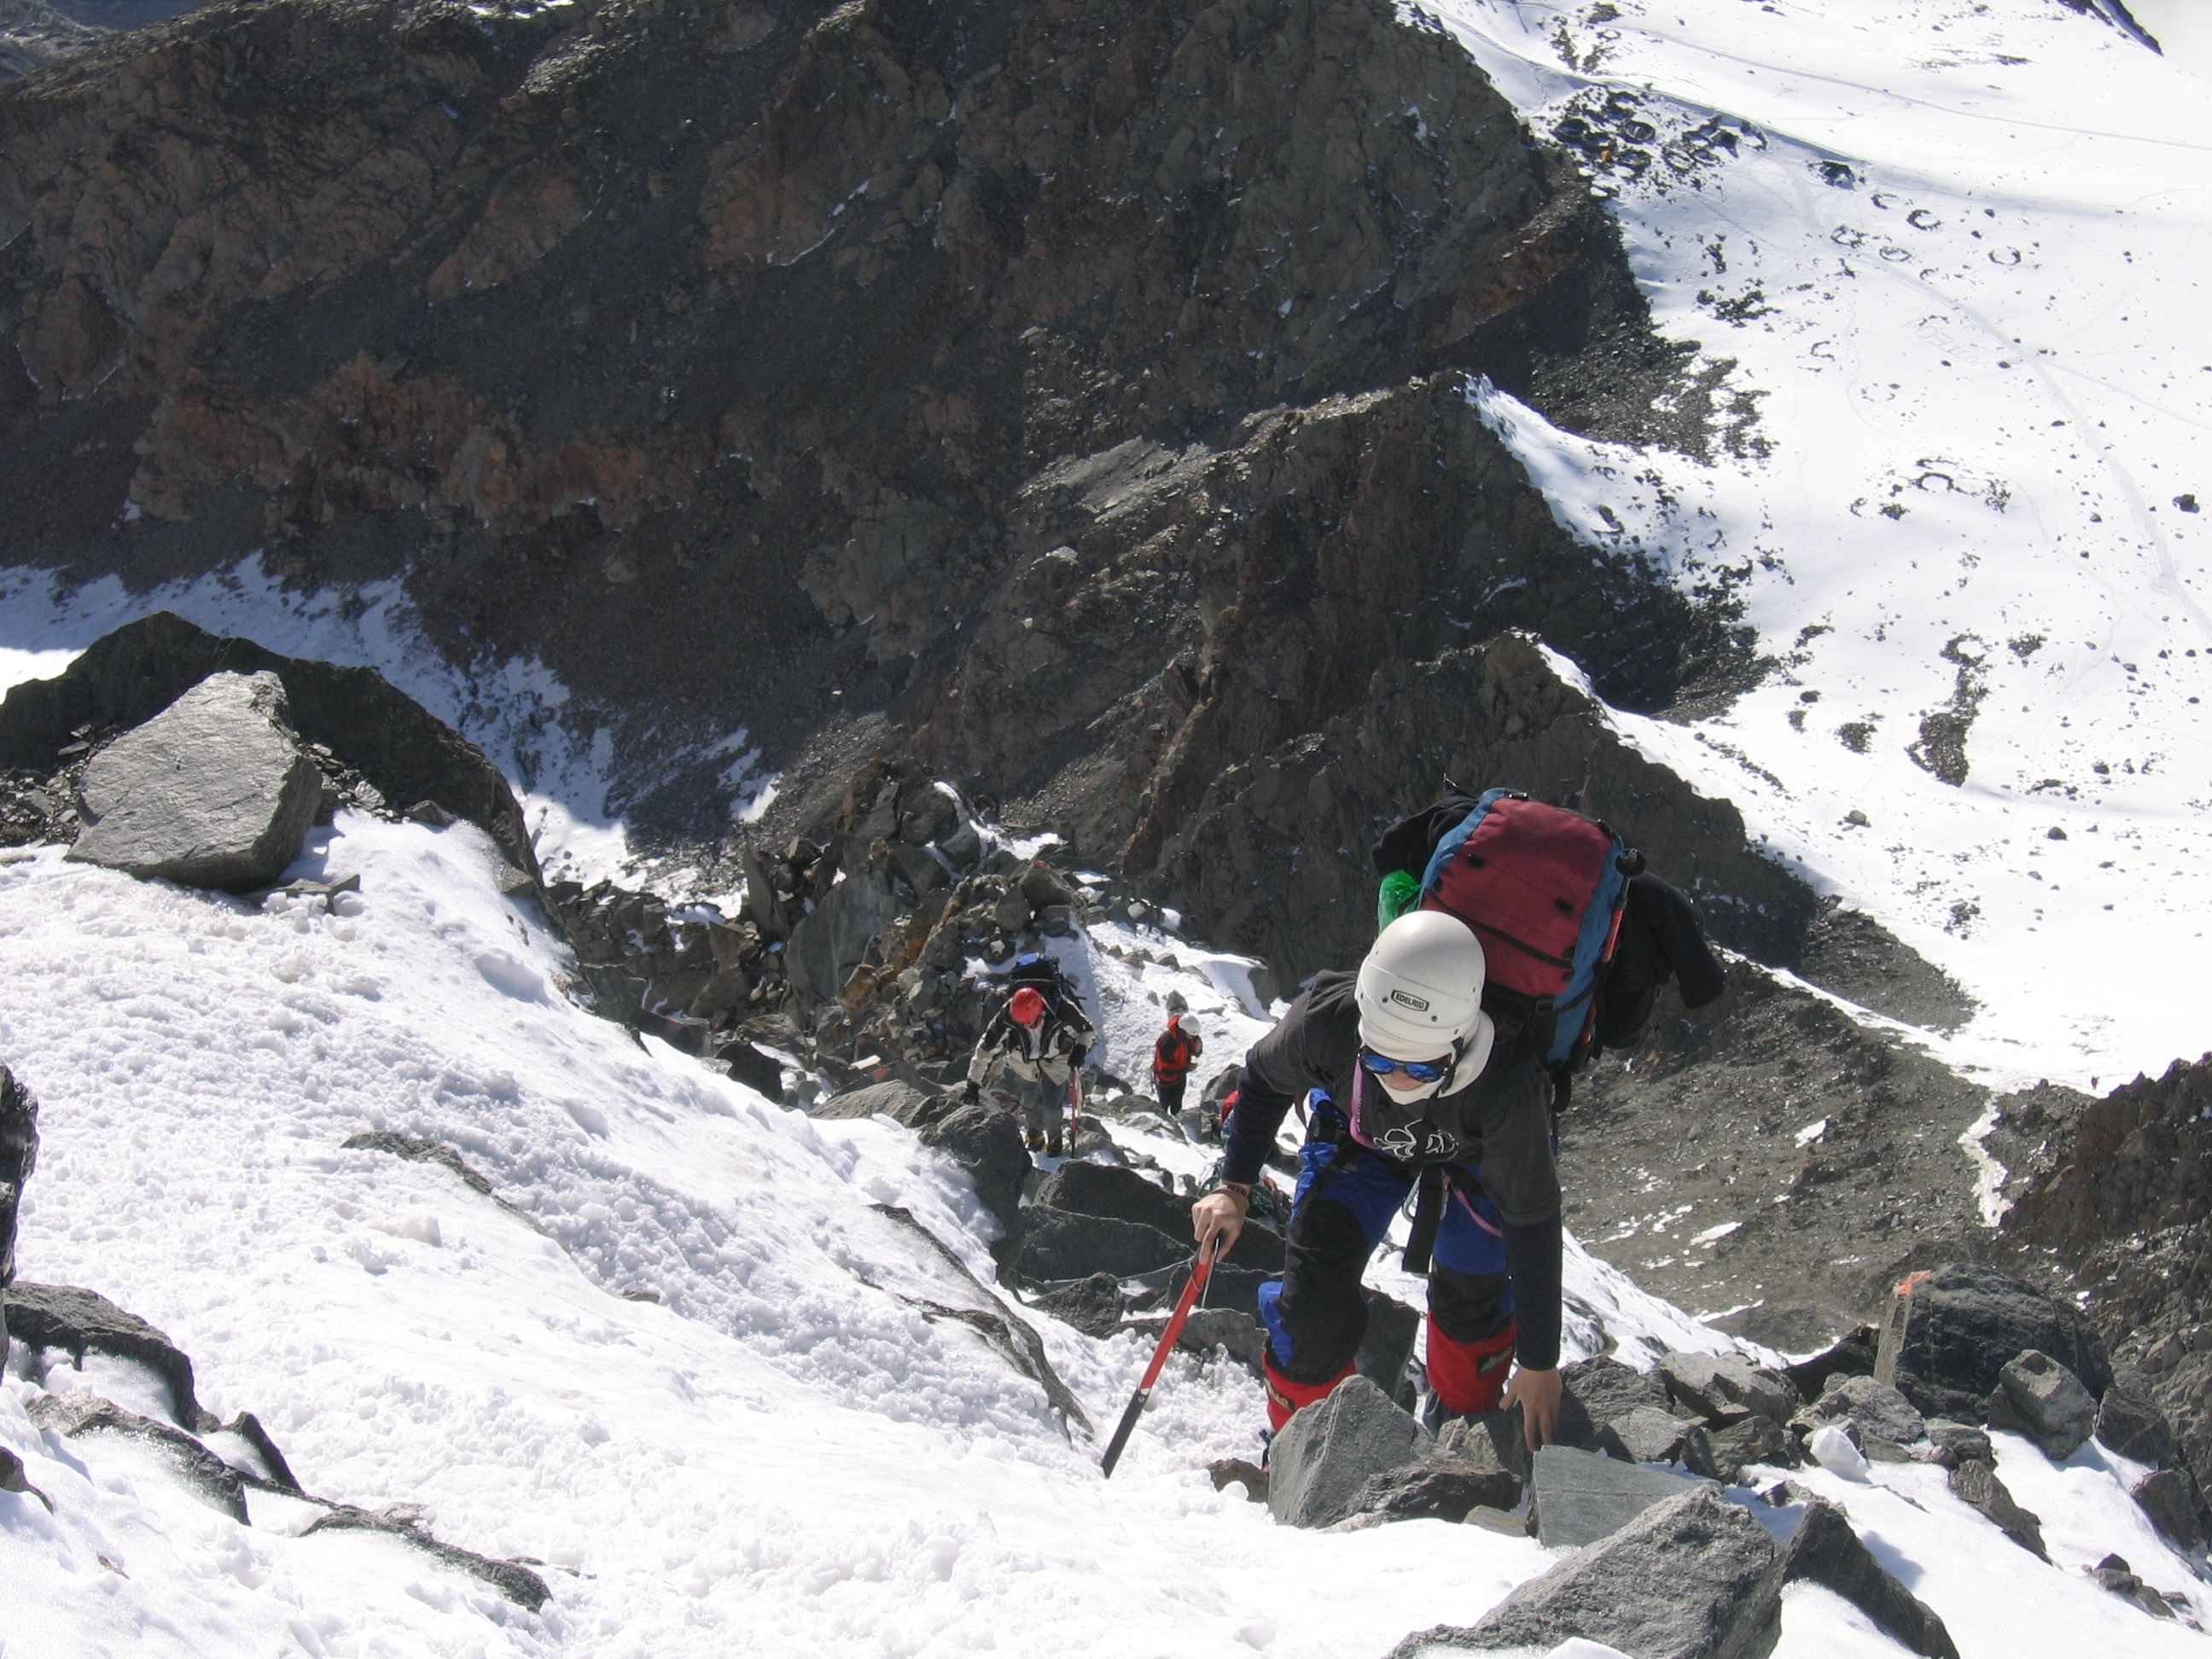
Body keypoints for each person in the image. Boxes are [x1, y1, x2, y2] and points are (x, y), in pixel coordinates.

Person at [1190, 910, 1565, 1450]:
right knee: (1310, 1304)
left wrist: (1539, 1362)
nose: (1397, 1080)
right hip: (1361, 1132)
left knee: (1472, 1303)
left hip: (1478, 1149)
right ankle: (1307, 1450)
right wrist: (1234, 1188)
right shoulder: (1331, 1021)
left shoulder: (1509, 1086)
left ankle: (1465, 1437)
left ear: (1462, 1044)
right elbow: (1265, 1080)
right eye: (1382, 1061)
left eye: (1421, 1070)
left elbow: (1533, 1218)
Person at [963, 984, 1095, 1157]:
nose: (1025, 1026)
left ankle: (1054, 1138)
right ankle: (1035, 1132)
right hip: (1023, 1063)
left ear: (1040, 1012)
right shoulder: (1007, 1015)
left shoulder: (1061, 1009)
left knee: (1052, 1106)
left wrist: (1080, 1050)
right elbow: (986, 1048)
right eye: (1021, 1024)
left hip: (1056, 1060)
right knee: (1029, 1102)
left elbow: (1087, 1031)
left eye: (1029, 1023)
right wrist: (973, 1083)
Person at [1151, 1012, 1204, 1117]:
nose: (1193, 1038)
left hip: (1179, 1078)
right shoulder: (1167, 1042)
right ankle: (1165, 1124)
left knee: (1177, 1106)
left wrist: (1197, 1050)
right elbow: (1164, 1069)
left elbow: (1192, 1048)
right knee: (1164, 1106)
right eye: (1191, 1036)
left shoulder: (1188, 1036)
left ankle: (1177, 1121)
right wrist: (1186, 1068)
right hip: (1165, 1080)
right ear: (1183, 1031)